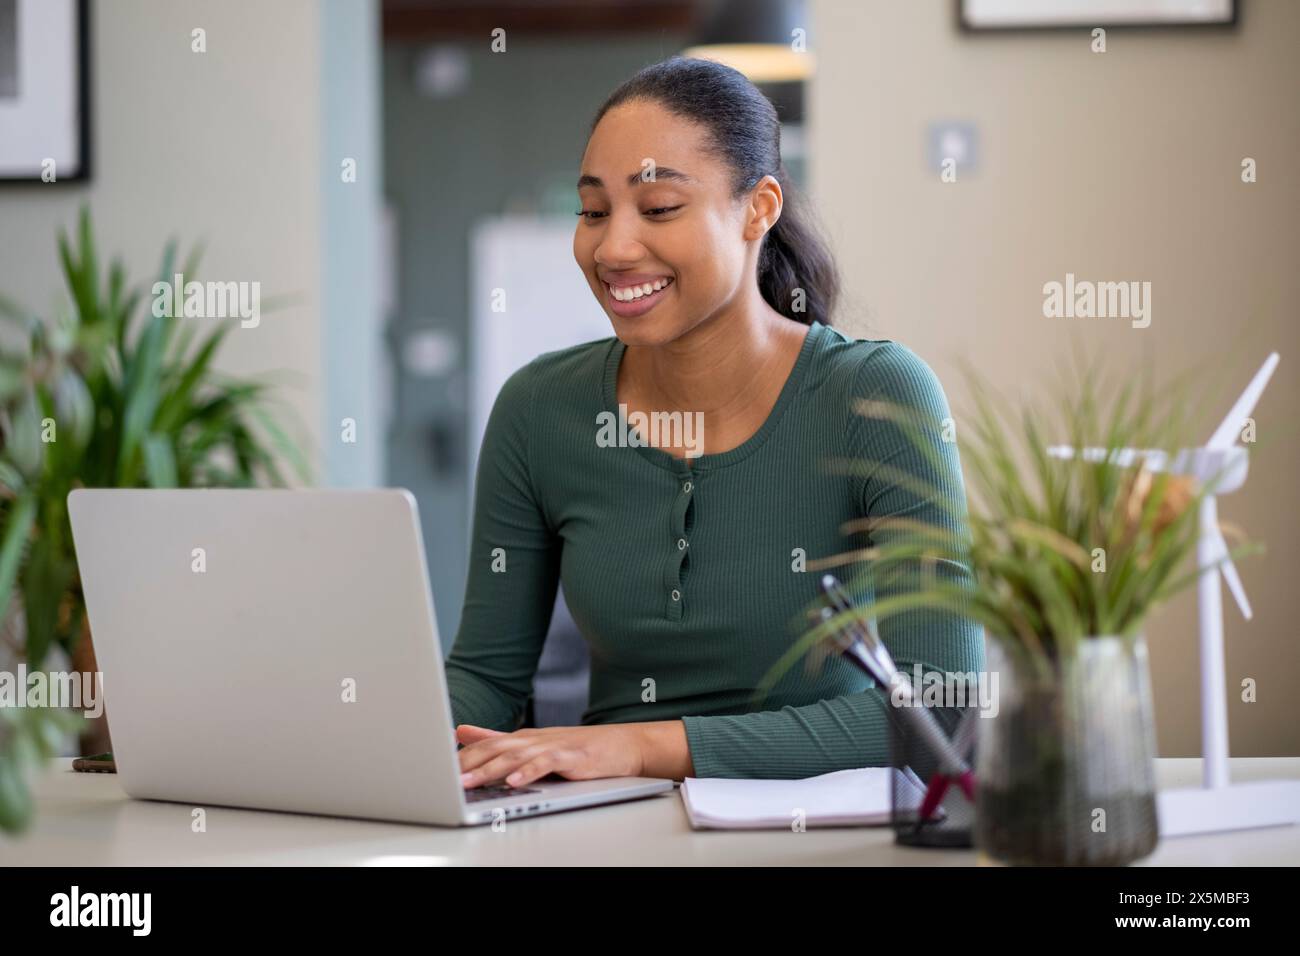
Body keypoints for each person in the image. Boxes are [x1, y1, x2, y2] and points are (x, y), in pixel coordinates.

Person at [447, 56, 982, 790]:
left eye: (659, 208)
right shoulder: (539, 409)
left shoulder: (877, 396)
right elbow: (485, 681)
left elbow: (941, 711)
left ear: (758, 209)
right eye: (594, 211)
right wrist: (385, 745)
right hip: (599, 826)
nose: (612, 248)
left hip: (818, 833)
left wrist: (639, 747)